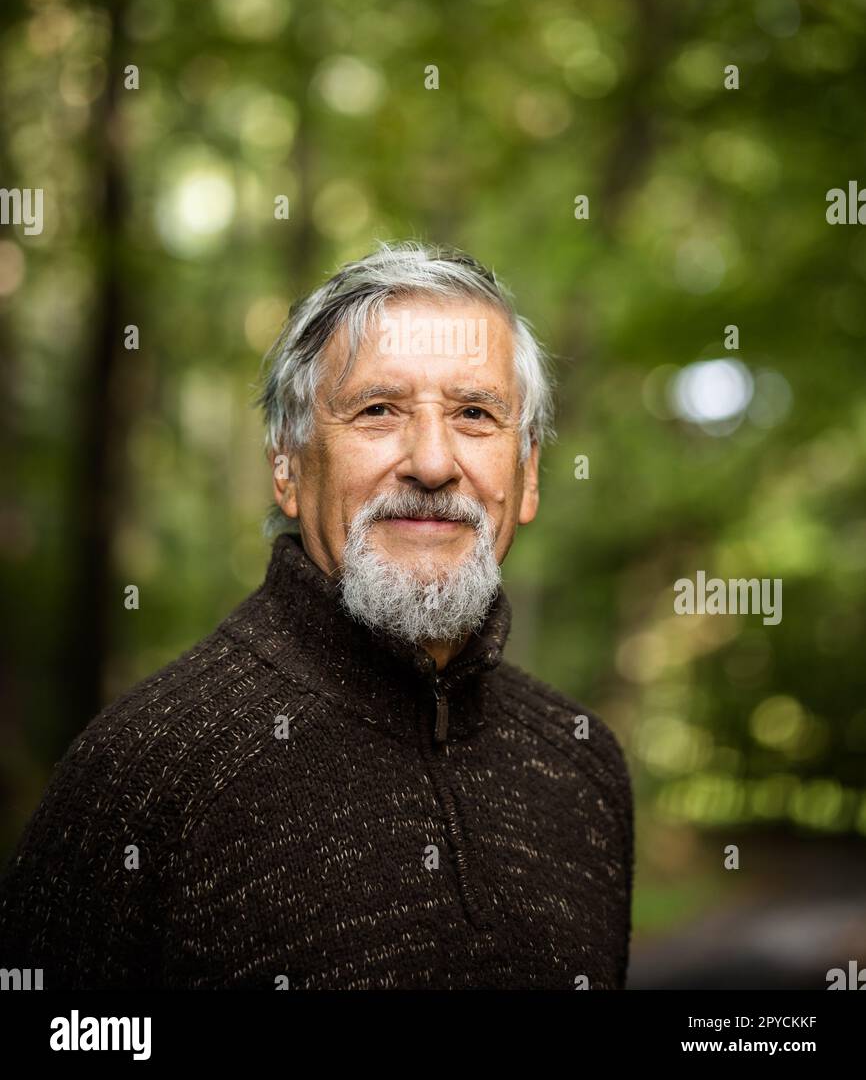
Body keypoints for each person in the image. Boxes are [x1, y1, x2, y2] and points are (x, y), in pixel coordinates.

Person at [0, 240, 633, 989]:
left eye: (473, 413)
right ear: (288, 466)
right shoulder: (141, 777)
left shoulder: (583, 768)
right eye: (377, 410)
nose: (432, 463)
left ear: (526, 477)